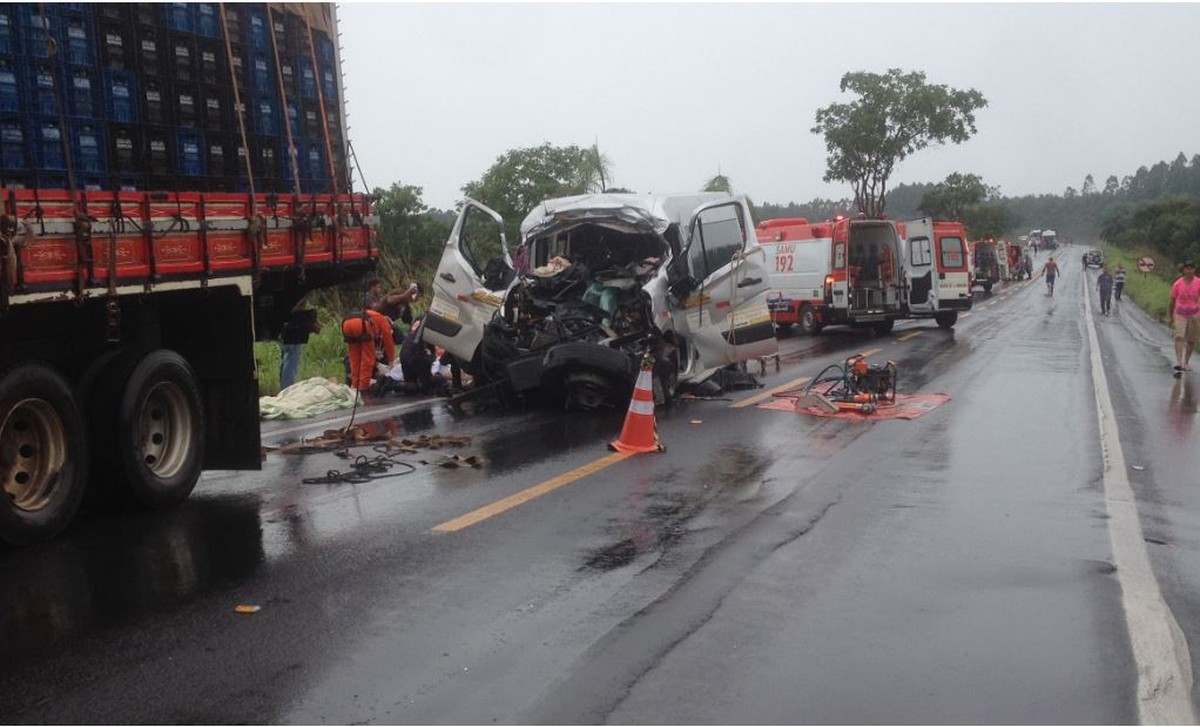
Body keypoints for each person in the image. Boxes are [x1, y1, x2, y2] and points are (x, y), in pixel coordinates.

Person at [341, 308, 396, 393]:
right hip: (361, 323)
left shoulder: (373, 315)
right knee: (367, 357)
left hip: (346, 323)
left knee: (354, 358)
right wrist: (392, 361)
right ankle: (363, 387)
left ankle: (355, 386)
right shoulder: (383, 321)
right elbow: (388, 340)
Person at [278, 296, 321, 390]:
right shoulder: (297, 295)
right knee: (291, 360)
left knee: (286, 358)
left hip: (284, 328)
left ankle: (284, 388)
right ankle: (287, 388)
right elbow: (296, 309)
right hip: (293, 330)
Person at [1168, 260, 1200, 374]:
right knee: (1179, 336)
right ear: (1184, 270)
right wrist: (1171, 316)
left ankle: (1186, 362)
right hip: (1180, 313)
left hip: (1194, 314)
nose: (1189, 270)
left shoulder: (1198, 282)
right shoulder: (1178, 284)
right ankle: (1179, 361)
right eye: (1187, 268)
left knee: (1191, 340)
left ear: (1194, 270)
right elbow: (1172, 301)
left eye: (1191, 268)